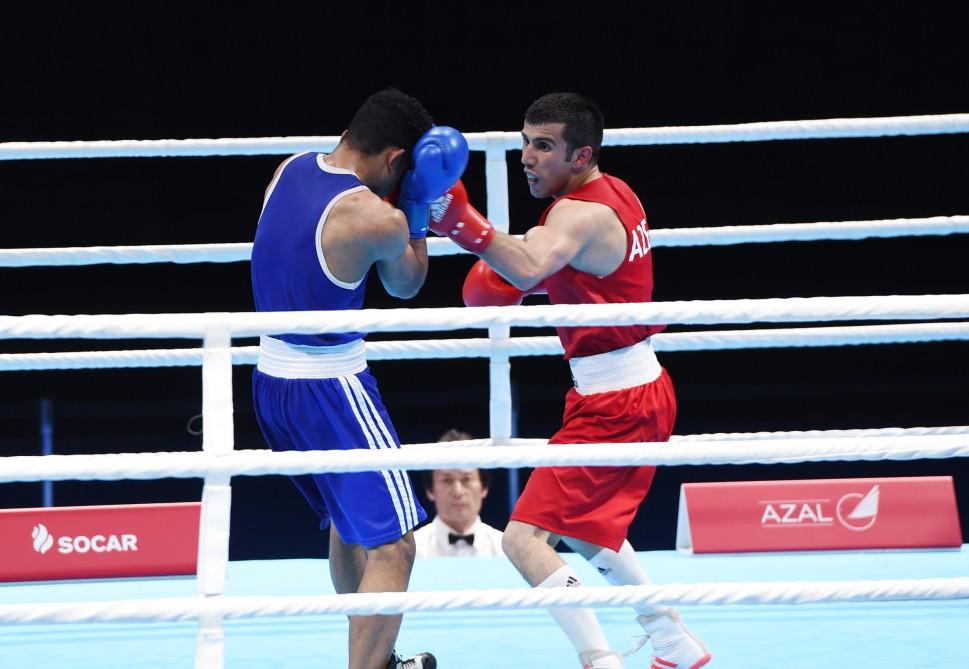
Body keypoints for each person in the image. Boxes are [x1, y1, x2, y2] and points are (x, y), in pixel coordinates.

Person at [427, 93, 711, 669]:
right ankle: (673, 639)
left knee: (522, 541)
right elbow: (558, 271)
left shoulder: (575, 214)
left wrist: (464, 226)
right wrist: (518, 269)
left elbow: (531, 265)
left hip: (617, 400)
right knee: (582, 530)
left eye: (544, 146)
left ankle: (600, 660)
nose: (527, 156)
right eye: (526, 141)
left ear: (582, 154)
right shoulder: (615, 192)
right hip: (632, 387)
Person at [249, 87, 468, 669]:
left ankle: (378, 657)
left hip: (271, 381)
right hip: (331, 386)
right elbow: (406, 283)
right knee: (395, 546)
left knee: (351, 527)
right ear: (399, 160)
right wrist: (417, 207)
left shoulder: (288, 169)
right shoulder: (374, 217)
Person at [414, 429, 504, 558]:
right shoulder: (412, 552)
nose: (458, 492)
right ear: (430, 490)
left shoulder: (506, 550)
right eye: (447, 480)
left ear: (483, 487)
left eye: (466, 479)